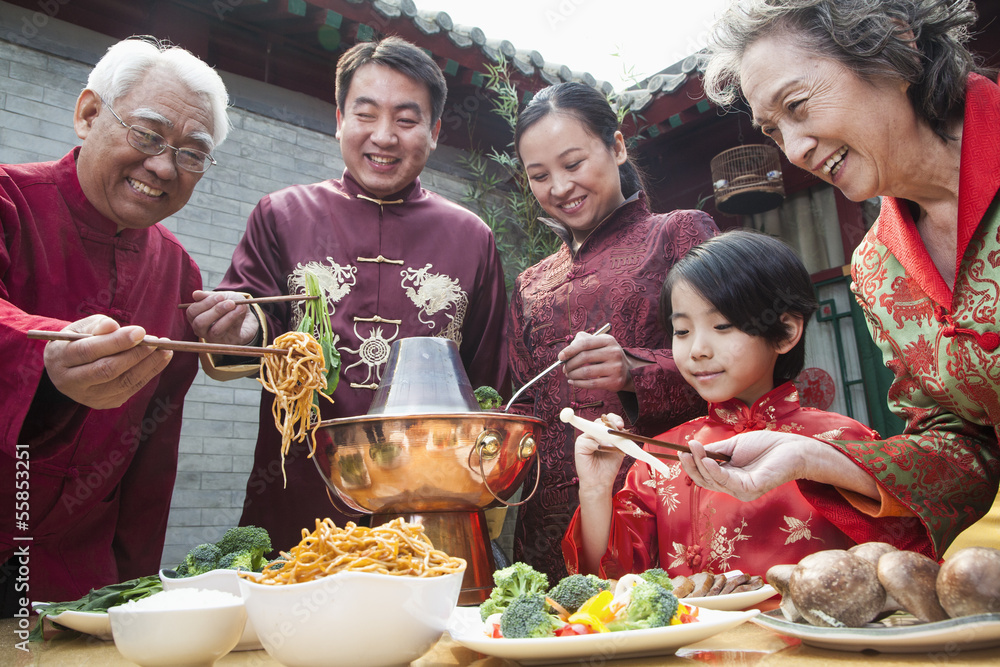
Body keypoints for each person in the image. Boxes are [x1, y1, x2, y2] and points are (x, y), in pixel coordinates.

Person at [691, 0, 1000, 558]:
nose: (795, 149)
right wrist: (808, 454)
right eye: (773, 129)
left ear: (895, 48)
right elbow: (962, 446)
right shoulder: (878, 270)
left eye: (798, 105)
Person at [184, 36, 509, 554]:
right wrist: (239, 327)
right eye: (366, 114)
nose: (384, 136)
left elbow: (490, 383)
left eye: (406, 119)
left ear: (434, 131)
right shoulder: (282, 215)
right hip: (300, 491)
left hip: (428, 508)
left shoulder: (472, 238)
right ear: (339, 119)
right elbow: (247, 313)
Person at [0, 37, 231, 610]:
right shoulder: (10, 199)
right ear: (88, 115)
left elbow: (151, 452)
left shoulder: (179, 271)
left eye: (191, 153)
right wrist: (43, 357)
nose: (161, 165)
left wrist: (131, 593)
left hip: (73, 572)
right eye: (148, 134)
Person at [564, 231, 905, 579]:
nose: (697, 349)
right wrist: (594, 490)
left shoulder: (844, 442)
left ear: (786, 331)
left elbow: (896, 559)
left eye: (722, 325)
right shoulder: (659, 459)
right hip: (700, 635)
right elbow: (606, 581)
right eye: (681, 331)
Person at [507, 82, 718, 583]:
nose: (559, 187)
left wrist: (632, 370)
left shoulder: (679, 233)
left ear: (617, 147)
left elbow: (738, 361)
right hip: (549, 528)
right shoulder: (531, 283)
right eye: (539, 175)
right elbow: (522, 404)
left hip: (663, 502)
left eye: (573, 163)